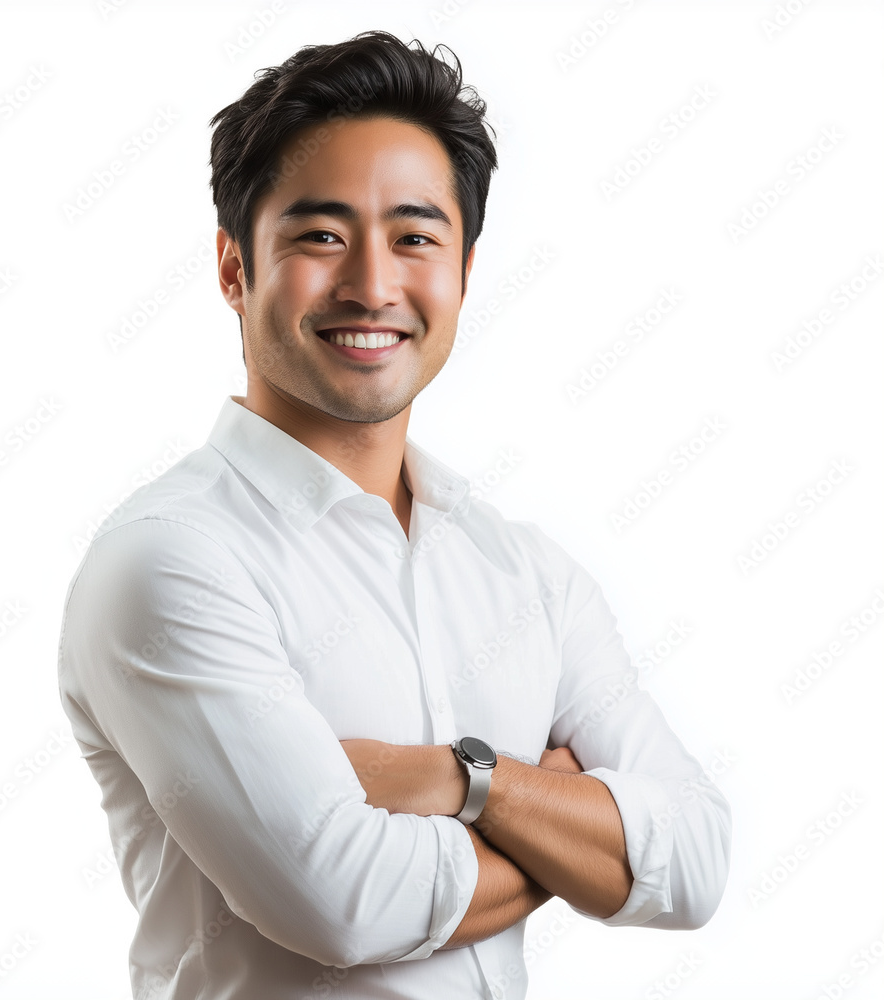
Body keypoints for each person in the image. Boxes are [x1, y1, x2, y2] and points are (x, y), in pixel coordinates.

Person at [57, 29, 731, 1000]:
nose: (373, 286)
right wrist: (564, 817)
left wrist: (465, 779)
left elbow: (696, 857)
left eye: (415, 237)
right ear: (234, 268)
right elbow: (345, 902)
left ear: (463, 272)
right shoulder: (168, 562)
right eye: (321, 236)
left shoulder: (525, 572)